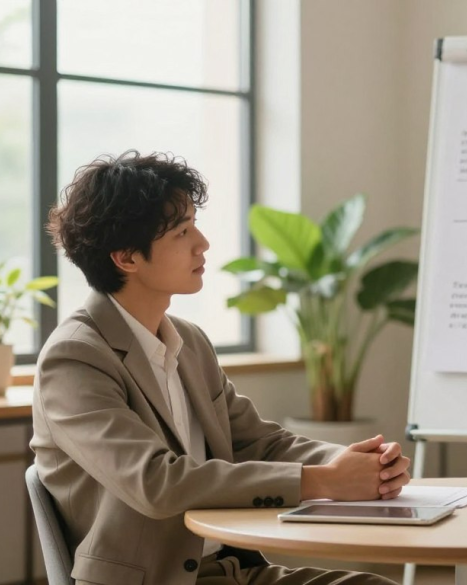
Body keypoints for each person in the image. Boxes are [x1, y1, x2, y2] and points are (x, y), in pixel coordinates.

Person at [31, 151, 410, 585]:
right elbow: (157, 483)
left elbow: (259, 441)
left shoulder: (188, 340)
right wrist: (324, 482)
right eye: (182, 231)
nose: (203, 243)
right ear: (127, 258)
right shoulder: (75, 358)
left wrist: (349, 462)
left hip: (230, 571)